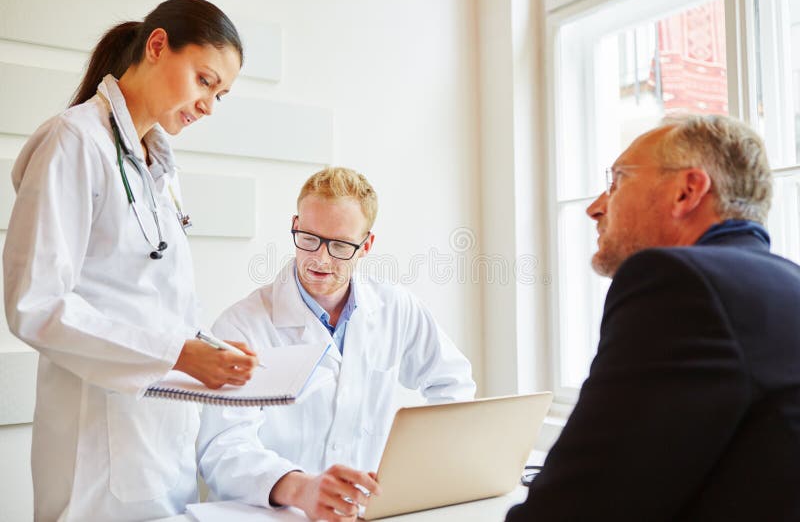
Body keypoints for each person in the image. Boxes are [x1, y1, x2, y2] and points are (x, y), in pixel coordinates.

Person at [3, 0, 261, 521]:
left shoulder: (159, 165)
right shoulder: (74, 141)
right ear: (158, 45)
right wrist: (178, 354)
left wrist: (206, 347)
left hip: (159, 443)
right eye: (205, 80)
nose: (209, 104)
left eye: (222, 94)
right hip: (96, 452)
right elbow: (36, 306)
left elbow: (149, 297)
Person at [506, 115, 800, 521]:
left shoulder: (681, 283)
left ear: (687, 191)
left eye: (617, 181)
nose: (595, 207)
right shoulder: (784, 284)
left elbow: (572, 510)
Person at [198, 167, 476, 521]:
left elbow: (453, 387)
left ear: (366, 246)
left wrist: (417, 472)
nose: (320, 259)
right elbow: (222, 448)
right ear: (295, 225)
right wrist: (301, 488)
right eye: (309, 238)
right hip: (276, 514)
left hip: (366, 512)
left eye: (341, 245)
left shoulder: (396, 308)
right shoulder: (242, 325)